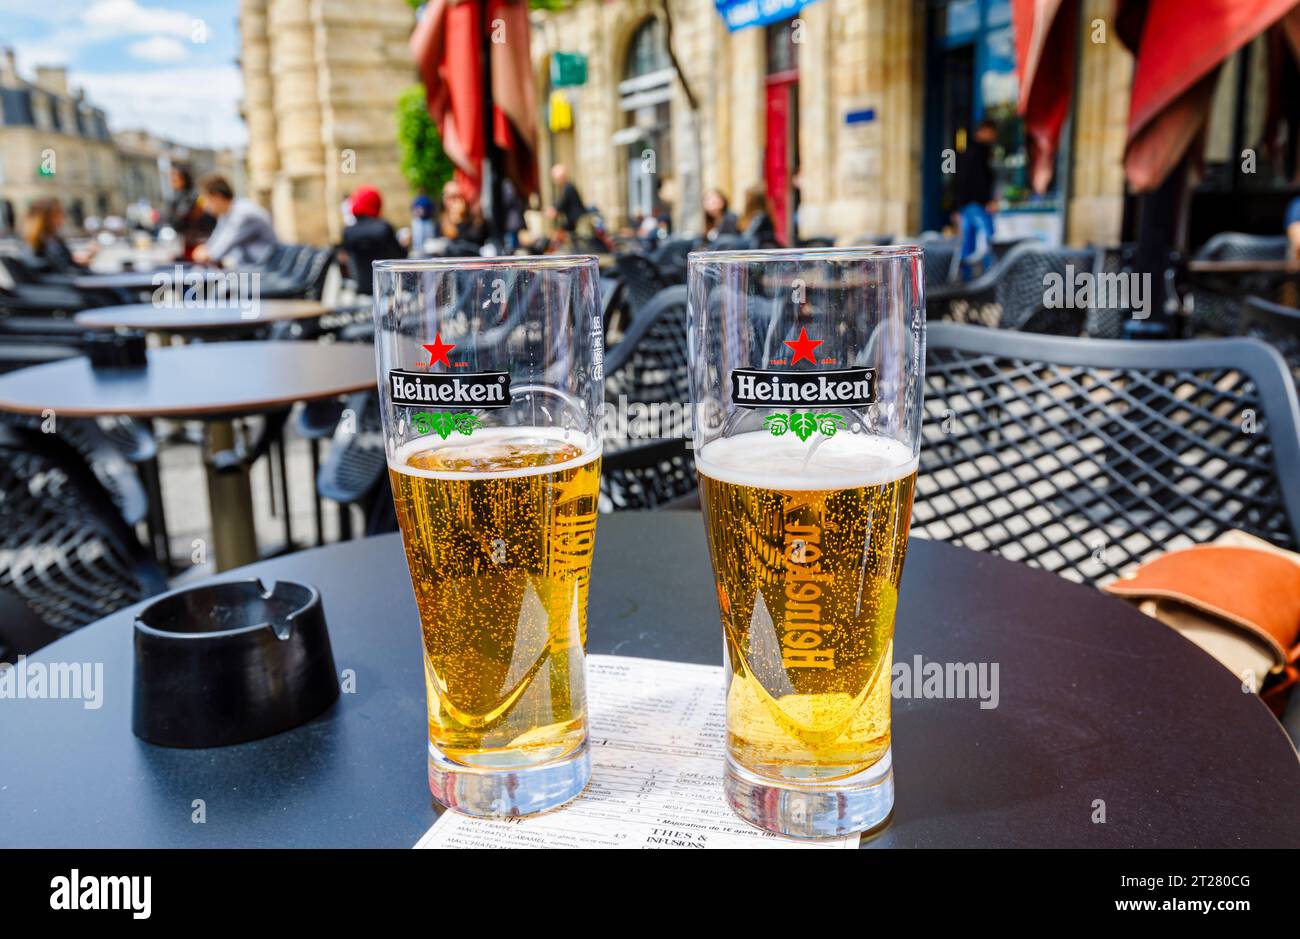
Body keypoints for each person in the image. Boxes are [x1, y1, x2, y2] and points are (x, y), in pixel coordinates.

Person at [191, 175, 278, 267]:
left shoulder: (243, 214)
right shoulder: (227, 213)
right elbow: (213, 243)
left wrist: (206, 253)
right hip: (252, 267)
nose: (205, 206)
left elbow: (217, 252)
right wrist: (205, 250)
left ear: (217, 196)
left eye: (206, 199)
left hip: (266, 268)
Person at [953, 118, 999, 279]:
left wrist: (957, 206)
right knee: (990, 239)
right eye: (992, 132)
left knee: (968, 243)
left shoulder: (966, 151)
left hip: (966, 204)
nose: (994, 136)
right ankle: (990, 277)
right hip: (977, 205)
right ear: (984, 131)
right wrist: (987, 200)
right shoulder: (980, 151)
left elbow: (959, 179)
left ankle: (966, 280)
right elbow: (979, 179)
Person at [338, 185, 405, 295]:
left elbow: (345, 259)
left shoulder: (348, 231)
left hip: (361, 288)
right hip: (387, 290)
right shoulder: (384, 228)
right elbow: (400, 257)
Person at [22, 198, 95, 273]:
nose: (62, 217)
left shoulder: (48, 240)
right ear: (45, 219)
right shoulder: (45, 243)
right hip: (65, 282)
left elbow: (64, 263)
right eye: (58, 213)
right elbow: (63, 271)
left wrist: (87, 256)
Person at [166, 164, 214, 261]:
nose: (172, 180)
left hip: (199, 242)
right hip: (184, 242)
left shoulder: (194, 196)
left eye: (175, 176)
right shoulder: (173, 198)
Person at [438, 179, 487, 246]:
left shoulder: (476, 222)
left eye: (453, 196)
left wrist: (460, 221)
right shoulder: (442, 221)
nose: (448, 201)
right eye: (445, 195)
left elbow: (476, 240)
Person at [547, 164, 586, 234]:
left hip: (578, 221)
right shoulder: (566, 187)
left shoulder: (568, 187)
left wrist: (554, 209)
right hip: (574, 221)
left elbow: (563, 203)